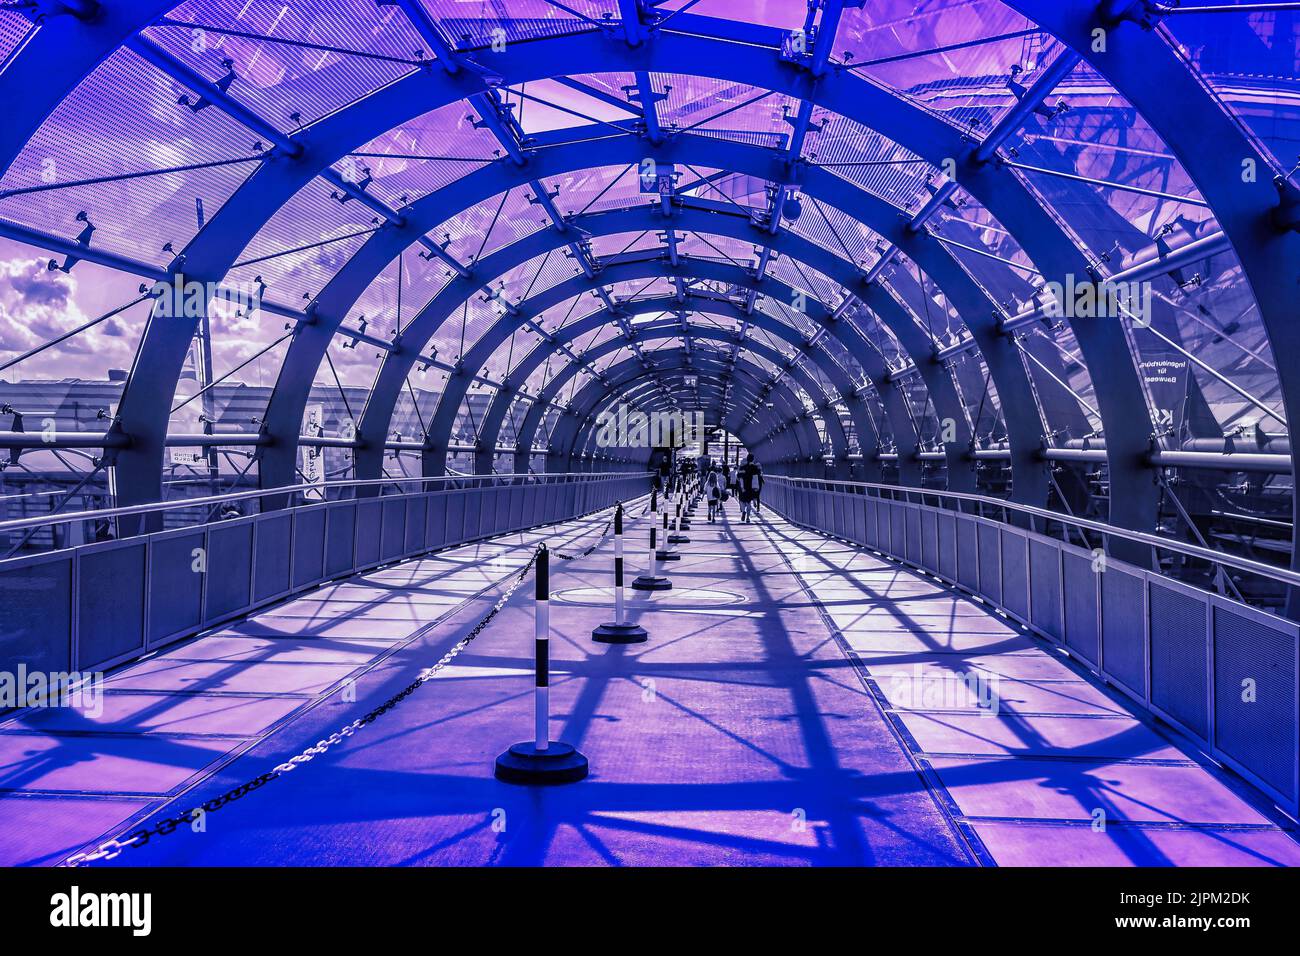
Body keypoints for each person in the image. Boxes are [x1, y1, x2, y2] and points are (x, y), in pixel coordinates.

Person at [737, 453, 764, 522]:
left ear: (747, 458)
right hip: (750, 488)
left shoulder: (743, 467)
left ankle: (743, 511)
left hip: (743, 487)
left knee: (741, 501)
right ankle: (748, 518)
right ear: (753, 459)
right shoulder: (755, 468)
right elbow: (759, 475)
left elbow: (738, 476)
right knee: (748, 502)